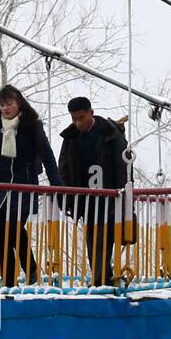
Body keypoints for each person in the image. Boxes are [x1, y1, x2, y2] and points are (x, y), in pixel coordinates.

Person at [0, 84, 62, 287]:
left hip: (24, 185)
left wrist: (57, 185)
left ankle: (27, 271)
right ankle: (12, 280)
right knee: (3, 234)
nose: (5, 108)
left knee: (14, 229)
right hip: (0, 186)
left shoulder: (31, 125)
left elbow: (47, 155)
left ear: (18, 103)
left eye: (9, 103)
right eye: (2, 104)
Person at [58, 97, 128, 287]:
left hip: (109, 197)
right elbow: (63, 167)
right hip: (85, 199)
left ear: (91, 113)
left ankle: (101, 277)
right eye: (73, 119)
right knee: (93, 236)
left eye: (81, 118)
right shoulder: (71, 137)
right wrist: (66, 197)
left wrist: (122, 195)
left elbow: (122, 166)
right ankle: (101, 276)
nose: (77, 123)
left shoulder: (110, 134)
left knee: (105, 235)